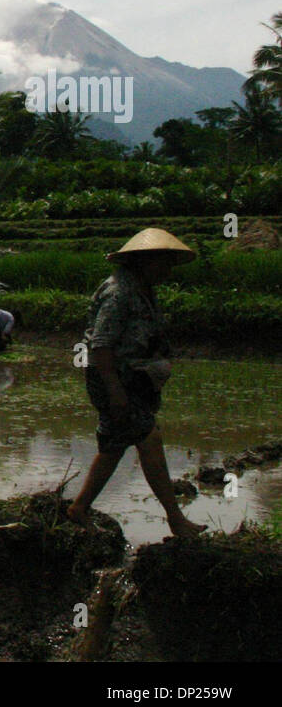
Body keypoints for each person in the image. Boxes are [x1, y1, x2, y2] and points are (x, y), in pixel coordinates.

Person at [65, 228, 207, 539]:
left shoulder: (142, 288)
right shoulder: (120, 293)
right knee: (149, 440)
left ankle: (79, 508)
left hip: (131, 379)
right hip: (115, 379)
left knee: (115, 445)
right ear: (145, 261)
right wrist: (116, 394)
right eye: (164, 263)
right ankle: (175, 519)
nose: (168, 271)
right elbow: (100, 346)